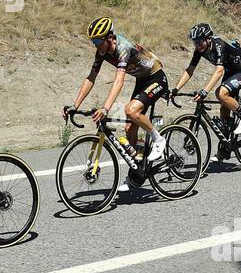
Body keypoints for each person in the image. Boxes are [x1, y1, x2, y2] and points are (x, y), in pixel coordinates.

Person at [67, 17, 169, 164]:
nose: (96, 46)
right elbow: (91, 77)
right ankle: (137, 172)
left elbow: (119, 80)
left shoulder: (123, 48)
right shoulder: (102, 52)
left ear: (110, 38)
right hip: (142, 80)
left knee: (131, 111)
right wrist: (75, 105)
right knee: (129, 129)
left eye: (97, 42)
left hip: (156, 77)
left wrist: (105, 109)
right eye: (93, 42)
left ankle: (158, 139)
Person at [176, 23, 241, 159]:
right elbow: (190, 70)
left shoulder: (218, 45)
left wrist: (205, 91)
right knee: (224, 110)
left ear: (208, 38)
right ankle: (225, 149)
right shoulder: (199, 50)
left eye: (199, 41)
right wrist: (176, 89)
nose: (197, 44)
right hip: (231, 72)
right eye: (195, 42)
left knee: (220, 93)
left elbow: (219, 71)